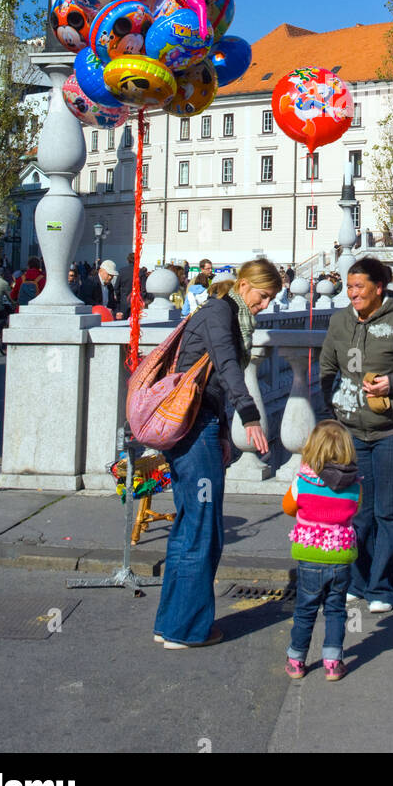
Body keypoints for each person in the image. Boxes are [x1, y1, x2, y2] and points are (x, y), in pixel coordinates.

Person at [153, 258, 279, 648]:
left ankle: (171, 623)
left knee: (189, 527)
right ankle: (187, 629)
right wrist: (250, 416)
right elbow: (226, 367)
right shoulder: (219, 312)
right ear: (243, 285)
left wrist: (224, 431)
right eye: (262, 296)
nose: (264, 305)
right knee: (203, 530)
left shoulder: (222, 311)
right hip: (194, 430)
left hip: (199, 427)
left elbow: (213, 382)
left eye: (271, 299)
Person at [319, 257, 393, 612]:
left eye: (359, 287)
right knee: (359, 511)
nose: (352, 293)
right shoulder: (340, 321)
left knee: (388, 511)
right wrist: (333, 405)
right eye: (349, 286)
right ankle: (358, 581)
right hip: (352, 432)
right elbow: (328, 365)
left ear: (379, 288)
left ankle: (382, 588)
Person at [282, 420, 361, 682]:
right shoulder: (354, 486)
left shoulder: (303, 482)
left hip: (310, 556)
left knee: (305, 609)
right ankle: (333, 662)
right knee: (336, 609)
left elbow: (288, 507)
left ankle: (296, 660)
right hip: (341, 558)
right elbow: (354, 510)